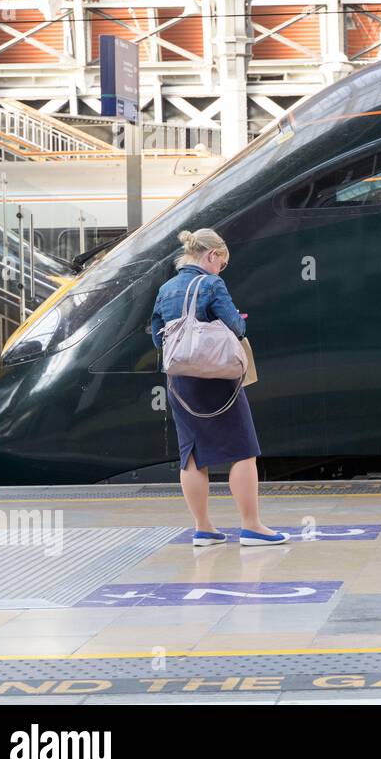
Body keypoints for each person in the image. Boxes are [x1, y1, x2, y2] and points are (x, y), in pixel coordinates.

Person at [151, 228, 287, 546]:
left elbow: (157, 335)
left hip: (180, 380)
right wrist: (236, 320)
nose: (221, 269)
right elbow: (236, 328)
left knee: (192, 455)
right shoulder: (212, 283)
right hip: (217, 379)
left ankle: (204, 528)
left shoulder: (167, 288)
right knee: (244, 450)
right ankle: (251, 526)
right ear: (213, 255)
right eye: (222, 263)